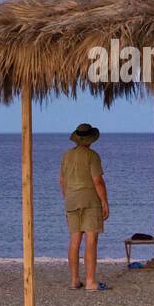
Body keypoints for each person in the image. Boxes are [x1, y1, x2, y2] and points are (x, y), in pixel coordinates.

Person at [60, 122, 110, 290]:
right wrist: (104, 201)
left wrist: (69, 197)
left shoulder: (66, 156)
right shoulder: (92, 156)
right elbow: (98, 181)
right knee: (91, 240)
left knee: (74, 240)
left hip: (71, 200)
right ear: (90, 139)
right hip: (89, 200)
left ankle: (74, 280)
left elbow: (62, 181)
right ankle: (90, 281)